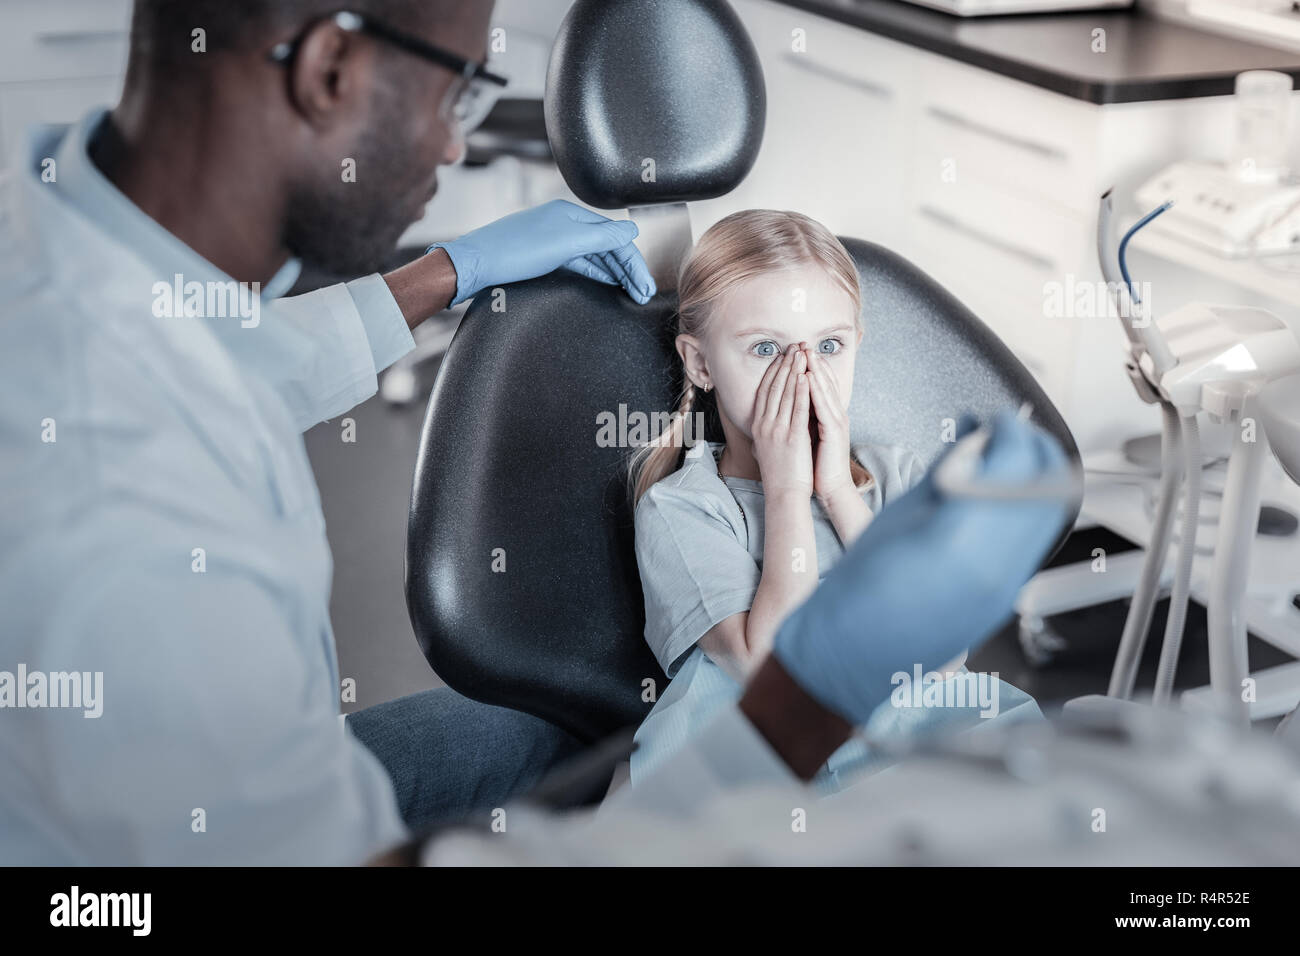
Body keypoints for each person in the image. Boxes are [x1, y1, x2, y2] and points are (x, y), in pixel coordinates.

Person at [0, 0, 1072, 865]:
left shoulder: (84, 259)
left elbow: (248, 352)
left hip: (217, 777)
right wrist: (819, 689)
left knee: (531, 743)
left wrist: (455, 267)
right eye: (457, 88)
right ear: (329, 68)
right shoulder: (116, 513)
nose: (460, 140)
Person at [627, 211, 1042, 789]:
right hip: (762, 762)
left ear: (857, 347)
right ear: (700, 363)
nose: (802, 373)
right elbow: (764, 667)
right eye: (767, 349)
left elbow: (944, 657)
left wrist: (840, 493)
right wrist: (788, 490)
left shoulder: (894, 477)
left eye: (828, 345)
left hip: (908, 749)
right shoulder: (684, 509)